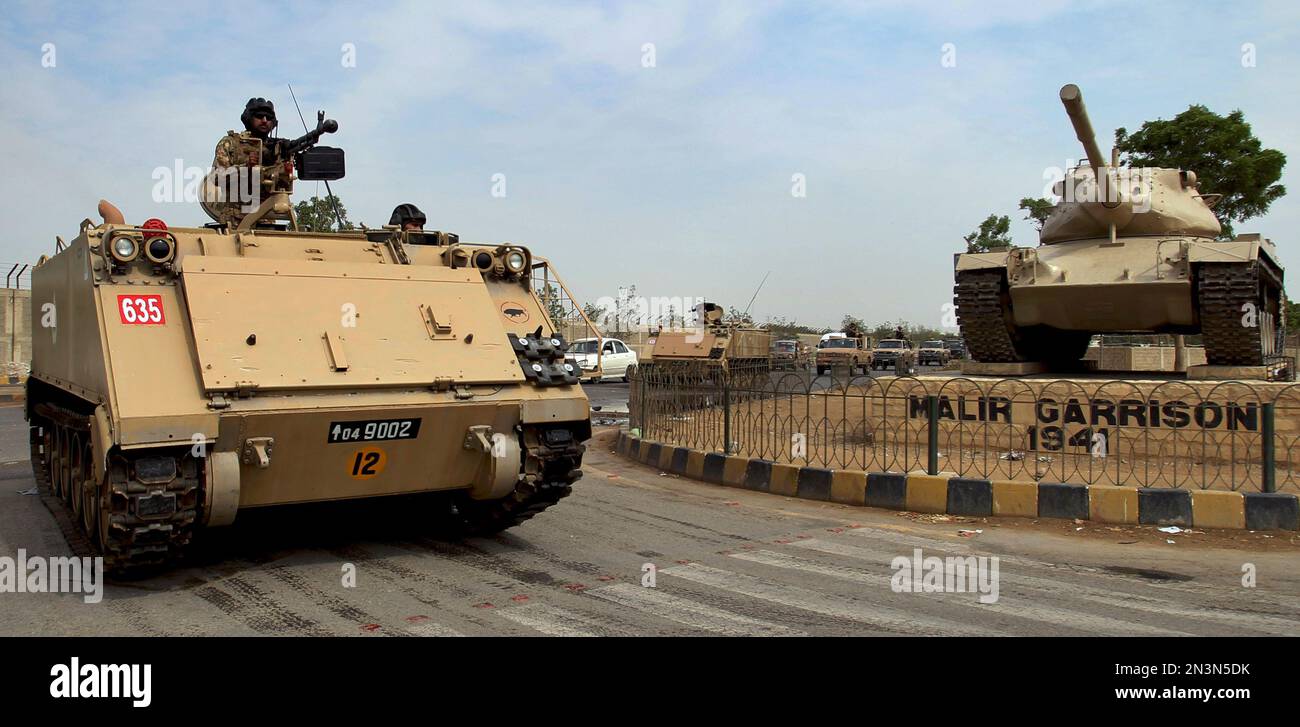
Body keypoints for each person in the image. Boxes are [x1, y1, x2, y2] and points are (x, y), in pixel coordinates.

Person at [202, 98, 283, 227]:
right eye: (259, 116)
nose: (264, 120)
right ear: (249, 118)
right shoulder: (231, 143)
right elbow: (218, 178)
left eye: (268, 117)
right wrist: (246, 167)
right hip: (235, 220)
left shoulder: (277, 149)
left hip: (266, 219)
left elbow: (281, 185)